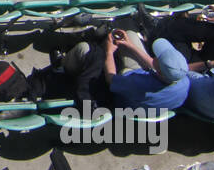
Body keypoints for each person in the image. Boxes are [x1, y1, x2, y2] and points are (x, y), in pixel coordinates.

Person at [62, 28, 191, 111]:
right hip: (148, 98)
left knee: (84, 49)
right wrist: (129, 45)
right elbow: (154, 65)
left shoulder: (138, 84)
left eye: (158, 57)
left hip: (123, 97)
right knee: (130, 34)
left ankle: (61, 64)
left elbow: (111, 79)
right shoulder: (183, 80)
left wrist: (109, 52)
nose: (155, 57)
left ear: (160, 71)